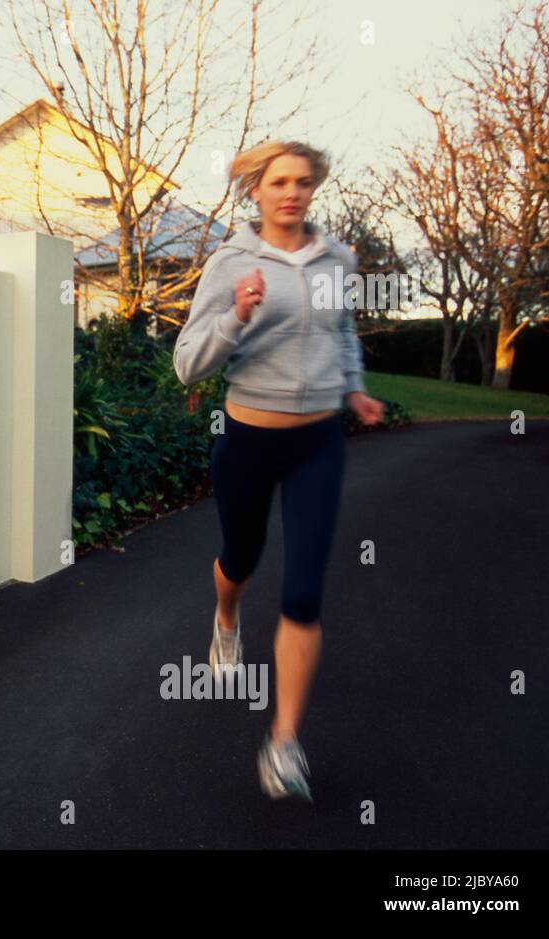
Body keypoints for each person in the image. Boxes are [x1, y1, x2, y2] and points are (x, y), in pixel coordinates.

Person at [173, 140, 385, 803]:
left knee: (303, 592)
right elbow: (188, 363)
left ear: (314, 188)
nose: (291, 192)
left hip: (319, 440)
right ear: (255, 191)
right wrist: (237, 313)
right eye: (278, 182)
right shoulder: (231, 261)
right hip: (247, 438)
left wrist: (353, 387)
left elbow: (342, 330)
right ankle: (226, 617)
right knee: (241, 555)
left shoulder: (338, 259)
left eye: (302, 181)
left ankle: (285, 741)